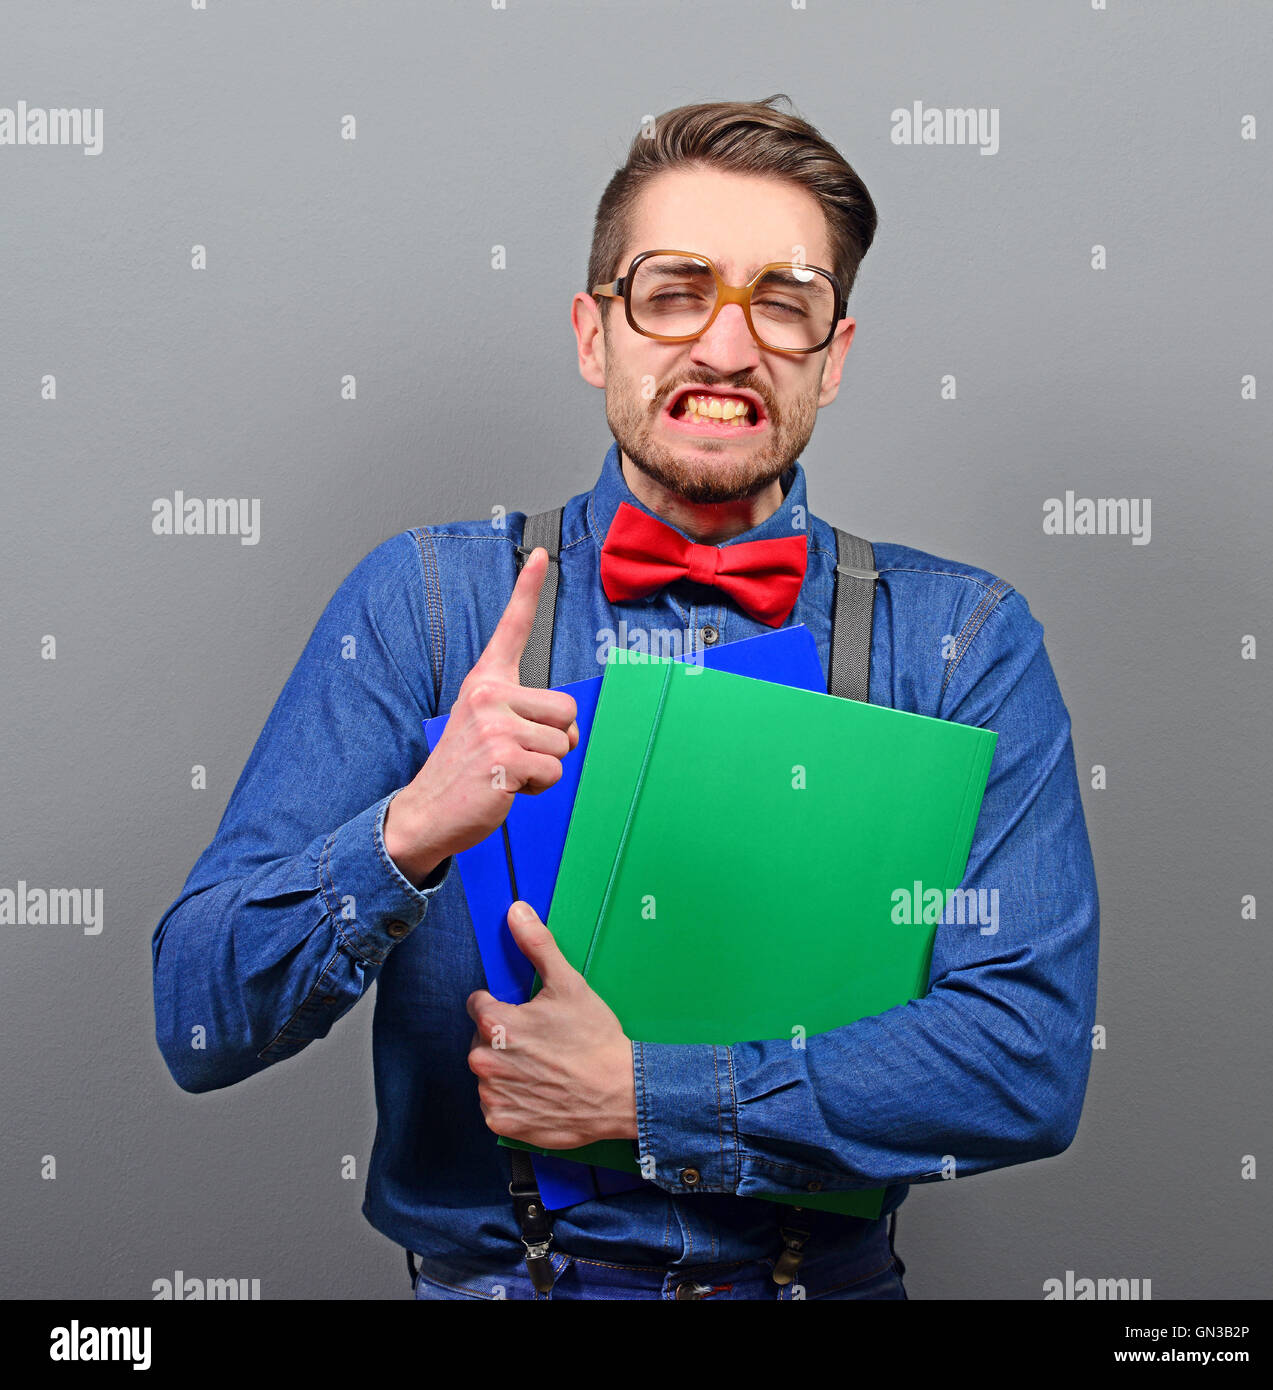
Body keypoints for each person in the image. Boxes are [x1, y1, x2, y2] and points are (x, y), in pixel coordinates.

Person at [152, 95, 1099, 1302]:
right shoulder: (426, 605)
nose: (725, 345)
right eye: (674, 290)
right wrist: (404, 836)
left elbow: (1027, 1061)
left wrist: (644, 1094)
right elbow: (194, 1019)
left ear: (835, 354)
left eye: (784, 301)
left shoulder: (963, 641)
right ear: (594, 334)